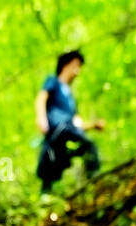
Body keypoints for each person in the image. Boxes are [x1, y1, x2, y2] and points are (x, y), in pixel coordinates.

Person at [35, 50, 105, 194]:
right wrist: (41, 118)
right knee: (51, 168)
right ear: (65, 65)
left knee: (87, 148)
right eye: (76, 65)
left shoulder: (71, 98)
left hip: (68, 132)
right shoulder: (53, 81)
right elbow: (41, 98)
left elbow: (77, 123)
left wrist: (93, 125)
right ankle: (45, 200)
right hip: (58, 131)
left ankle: (93, 185)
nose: (77, 71)